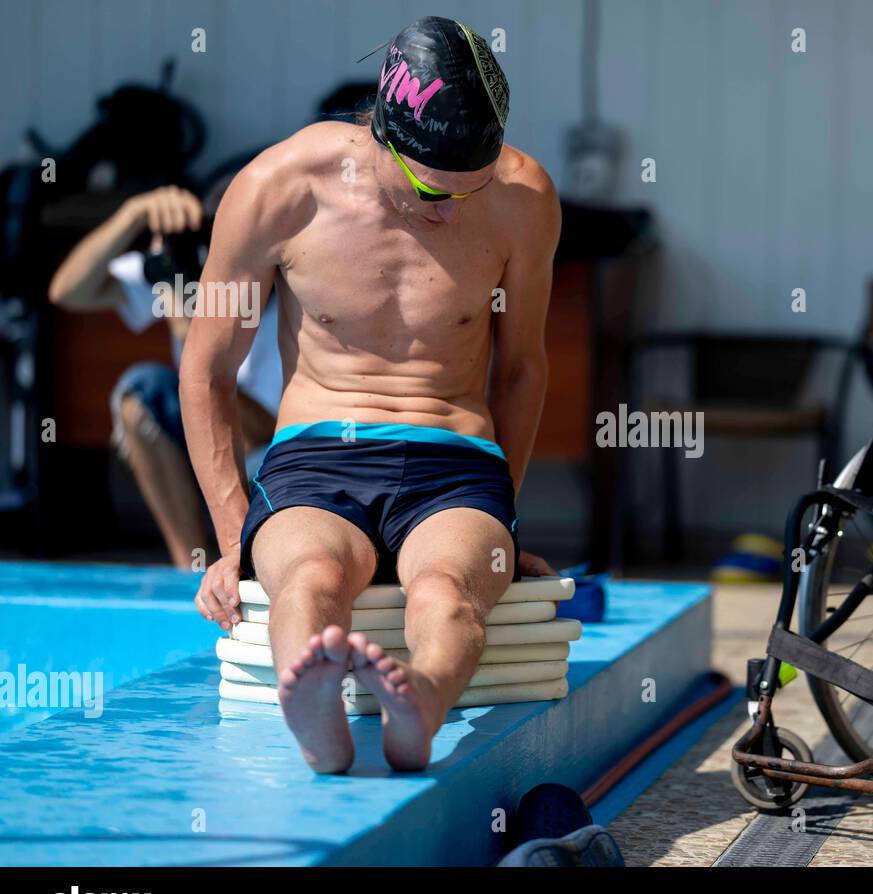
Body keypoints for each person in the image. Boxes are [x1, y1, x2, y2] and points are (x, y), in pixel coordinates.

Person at [181, 17, 560, 774]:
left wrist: (501, 523)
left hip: (454, 464)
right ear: (383, 135)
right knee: (311, 581)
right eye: (431, 190)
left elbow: (521, 369)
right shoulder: (275, 189)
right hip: (316, 461)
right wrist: (233, 544)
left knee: (448, 596)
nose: (450, 213)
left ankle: (420, 699)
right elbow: (206, 371)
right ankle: (315, 715)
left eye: (469, 190)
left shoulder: (523, 197)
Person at [47, 182, 281, 569]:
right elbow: (68, 291)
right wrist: (133, 213)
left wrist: (184, 319)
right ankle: (191, 569)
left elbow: (263, 428)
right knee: (141, 393)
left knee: (196, 392)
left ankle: (233, 564)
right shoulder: (190, 267)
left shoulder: (297, 275)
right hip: (211, 463)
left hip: (283, 463)